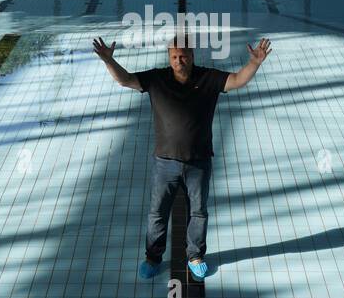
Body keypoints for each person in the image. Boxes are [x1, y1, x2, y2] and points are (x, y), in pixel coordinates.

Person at [92, 33, 272, 281]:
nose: (179, 61)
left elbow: (237, 80)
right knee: (157, 213)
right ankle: (153, 257)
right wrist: (108, 61)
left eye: (184, 56)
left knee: (198, 212)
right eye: (174, 57)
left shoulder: (208, 78)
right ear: (169, 57)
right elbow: (126, 80)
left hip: (198, 162)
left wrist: (254, 63)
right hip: (165, 162)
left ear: (192, 56)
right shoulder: (157, 78)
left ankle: (195, 255)